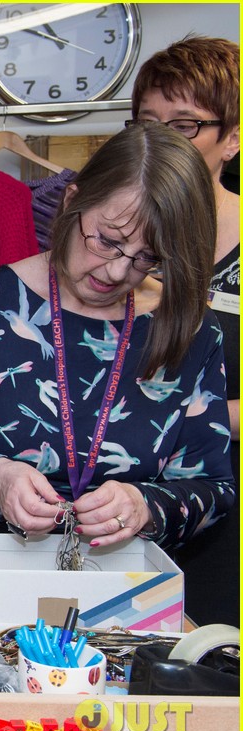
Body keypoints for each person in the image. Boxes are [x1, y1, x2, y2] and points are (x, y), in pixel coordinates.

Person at [0, 123, 235, 549]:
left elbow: (214, 488)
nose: (116, 271)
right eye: (108, 241)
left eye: (147, 257)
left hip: (122, 586)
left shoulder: (191, 329)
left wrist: (145, 504)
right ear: (72, 203)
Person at [130, 35, 240, 625]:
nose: (161, 140)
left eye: (185, 124)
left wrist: (188, 419)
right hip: (125, 508)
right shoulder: (111, 240)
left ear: (234, 137)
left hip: (229, 513)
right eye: (147, 121)